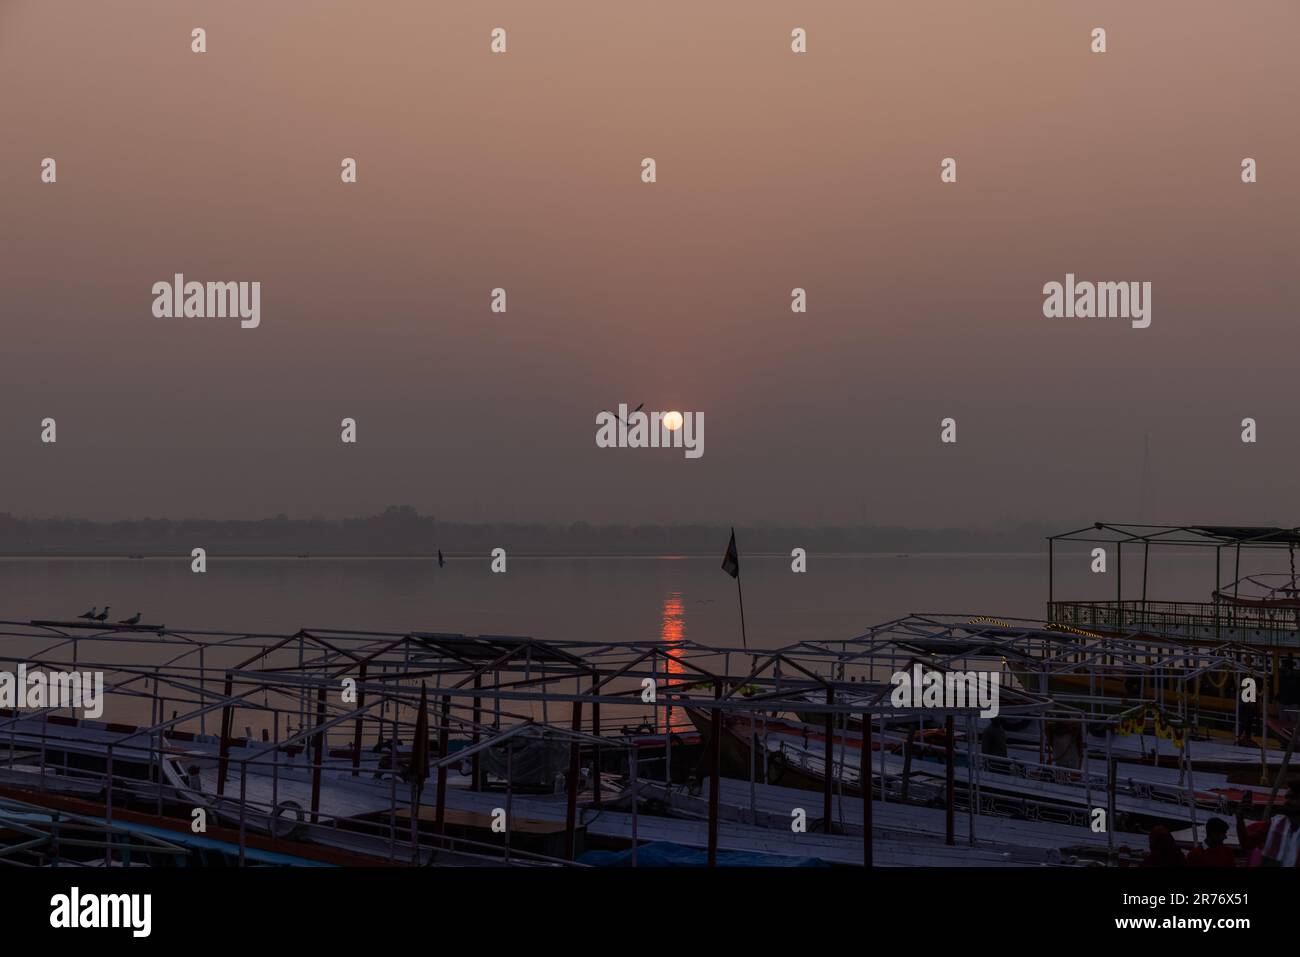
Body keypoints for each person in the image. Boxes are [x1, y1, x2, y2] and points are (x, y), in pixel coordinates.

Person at [1260, 784, 1300, 867]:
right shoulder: (1274, 824)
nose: (1287, 801)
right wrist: (1240, 819)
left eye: (1293, 798)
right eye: (1286, 797)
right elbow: (1246, 843)